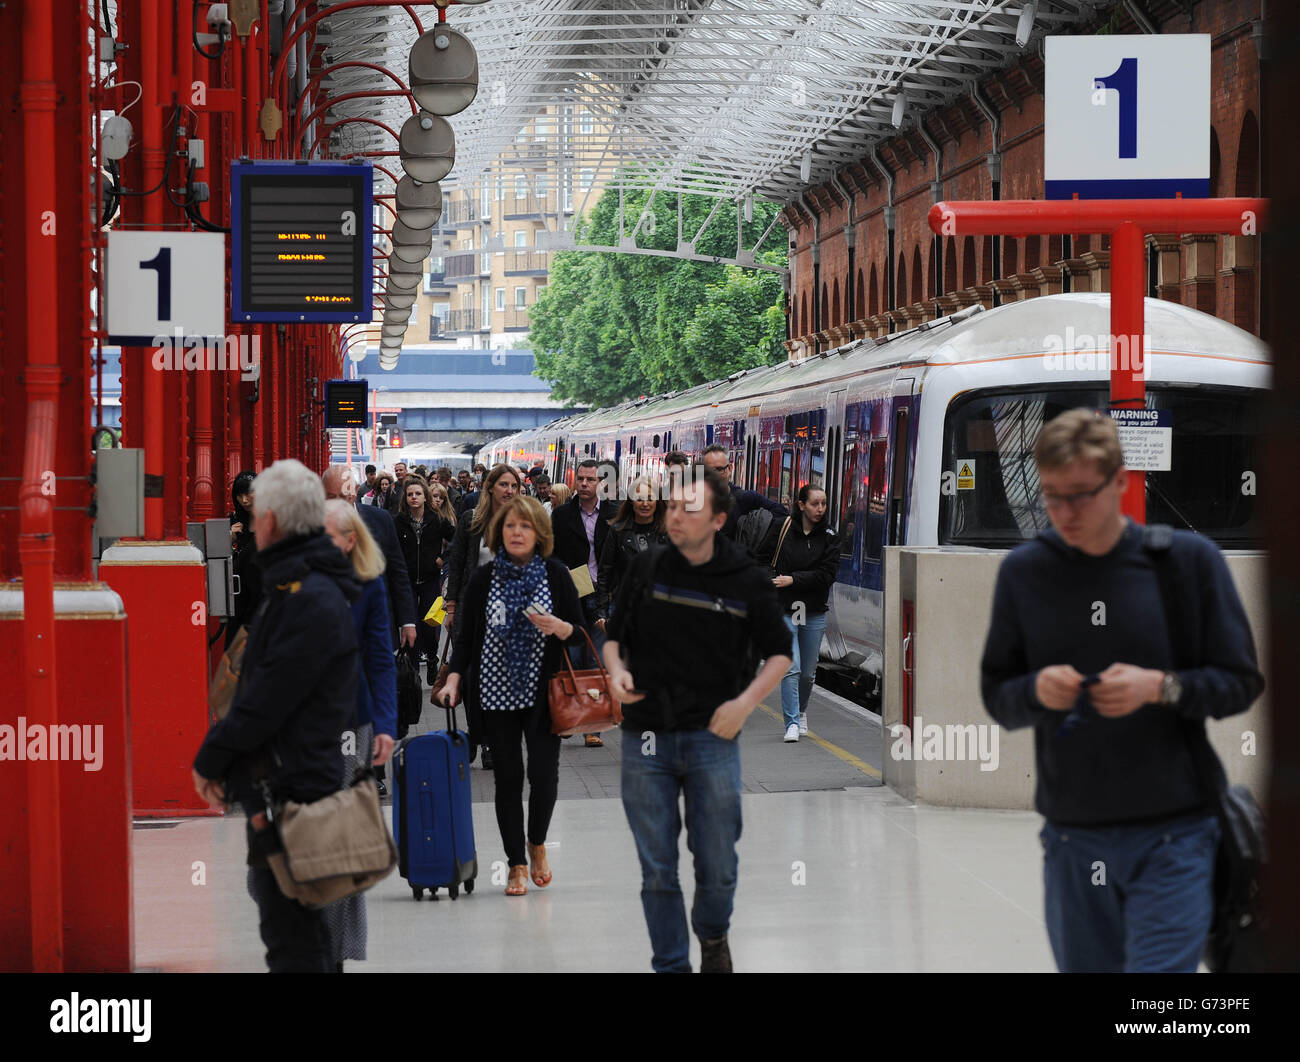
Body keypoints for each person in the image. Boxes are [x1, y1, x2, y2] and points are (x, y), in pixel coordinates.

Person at [980, 408, 1264, 974]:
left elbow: (1240, 682)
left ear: (1121, 482)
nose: (1064, 513)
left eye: (1081, 495)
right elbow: (998, 694)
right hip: (1073, 840)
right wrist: (1036, 689)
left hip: (1177, 835)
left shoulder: (1186, 564)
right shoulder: (1025, 573)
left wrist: (1163, 687)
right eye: (1051, 496)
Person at [602, 470, 791, 973]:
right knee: (658, 868)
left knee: (718, 865)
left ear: (719, 519)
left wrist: (745, 704)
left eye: (689, 507)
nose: (675, 515)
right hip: (646, 737)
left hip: (713, 736)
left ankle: (712, 933)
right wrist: (617, 672)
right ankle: (671, 965)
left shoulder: (747, 580)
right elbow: (614, 637)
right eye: (673, 506)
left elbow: (780, 653)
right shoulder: (646, 567)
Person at [192, 459, 361, 973]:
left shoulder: (302, 596)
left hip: (295, 793)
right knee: (298, 933)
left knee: (295, 942)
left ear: (270, 521)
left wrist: (212, 758)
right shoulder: (304, 585)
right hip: (291, 784)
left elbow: (266, 698)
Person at [439, 496, 584, 896]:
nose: (516, 532)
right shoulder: (484, 579)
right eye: (509, 526)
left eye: (525, 526)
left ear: (540, 534)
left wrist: (561, 628)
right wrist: (453, 677)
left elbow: (580, 630)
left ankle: (536, 843)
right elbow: (466, 637)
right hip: (495, 691)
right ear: (498, 533)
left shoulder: (556, 575)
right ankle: (516, 864)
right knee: (507, 778)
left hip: (545, 691)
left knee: (542, 774)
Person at [321, 500, 398, 969]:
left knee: (341, 846)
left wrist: (386, 727)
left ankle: (332, 954)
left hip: (352, 727)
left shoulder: (368, 589)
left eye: (327, 534)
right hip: (301, 732)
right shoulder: (293, 584)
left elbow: (379, 660)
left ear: (351, 541)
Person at [443, 463, 524, 769]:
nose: (510, 491)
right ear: (490, 487)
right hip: (474, 610)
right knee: (472, 678)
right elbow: (457, 562)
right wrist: (451, 605)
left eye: (514, 486)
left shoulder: (523, 520)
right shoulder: (471, 520)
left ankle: (492, 740)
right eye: (504, 485)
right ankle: (478, 734)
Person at [550, 459, 620, 748]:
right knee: (575, 658)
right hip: (573, 595)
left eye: (590, 479)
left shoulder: (615, 514)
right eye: (580, 479)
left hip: (604, 595)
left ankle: (594, 725)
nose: (584, 484)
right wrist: (561, 570)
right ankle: (570, 713)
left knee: (598, 660)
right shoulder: (562, 515)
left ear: (600, 483)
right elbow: (549, 551)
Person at [764, 484, 840, 742]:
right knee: (791, 667)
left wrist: (793, 580)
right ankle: (791, 723)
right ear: (801, 505)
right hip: (783, 608)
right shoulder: (782, 529)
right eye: (815, 503)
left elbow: (827, 575)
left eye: (824, 504)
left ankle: (802, 710)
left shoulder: (830, 536)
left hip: (813, 610)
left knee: (807, 673)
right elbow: (762, 558)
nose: (820, 509)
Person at [322, 465, 417, 655]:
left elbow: (397, 572)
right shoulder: (313, 526)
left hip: (377, 626)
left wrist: (407, 621)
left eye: (344, 496)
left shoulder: (380, 520)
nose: (339, 504)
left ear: (355, 491)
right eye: (331, 498)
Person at [395, 476, 456, 683]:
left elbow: (457, 541)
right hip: (408, 582)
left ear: (424, 497)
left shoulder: (437, 520)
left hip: (431, 580)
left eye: (418, 494)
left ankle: (431, 658)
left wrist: (443, 558)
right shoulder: (399, 521)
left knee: (430, 627)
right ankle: (412, 673)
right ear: (406, 498)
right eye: (410, 494)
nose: (414, 497)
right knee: (411, 626)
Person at [593, 475, 668, 634]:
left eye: (650, 498)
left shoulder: (668, 533)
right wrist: (602, 612)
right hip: (624, 607)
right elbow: (605, 573)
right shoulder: (618, 531)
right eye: (639, 499)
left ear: (658, 501)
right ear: (631, 502)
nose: (645, 504)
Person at [700, 444, 788, 548]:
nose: (714, 476)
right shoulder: (692, 501)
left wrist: (753, 529)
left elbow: (782, 513)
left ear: (730, 468)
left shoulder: (744, 499)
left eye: (719, 469)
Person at [226, 470, 263, 649]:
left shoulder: (270, 520)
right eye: (239, 495)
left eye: (249, 493)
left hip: (262, 594)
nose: (245, 500)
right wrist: (229, 538)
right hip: (240, 595)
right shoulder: (234, 521)